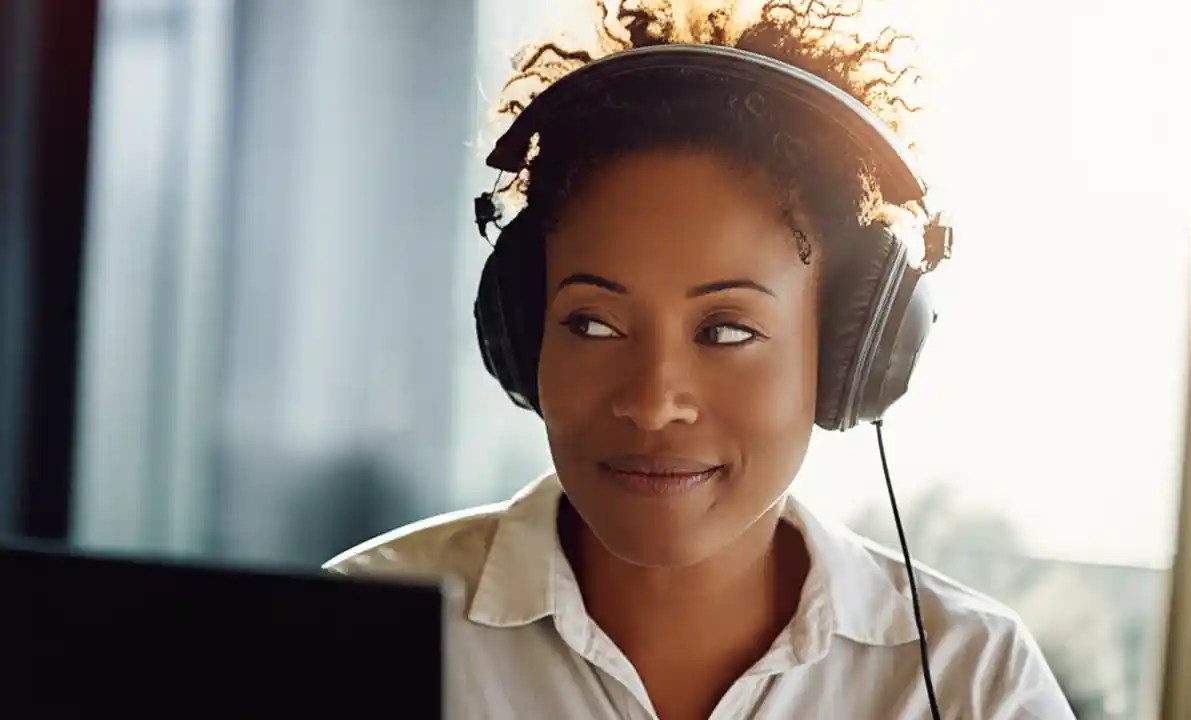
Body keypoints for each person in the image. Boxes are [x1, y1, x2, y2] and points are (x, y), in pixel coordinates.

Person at [326, 2, 1075, 718]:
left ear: (853, 353)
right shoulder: (343, 639)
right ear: (523, 333)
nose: (653, 402)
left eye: (725, 331)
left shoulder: (972, 681)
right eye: (591, 323)